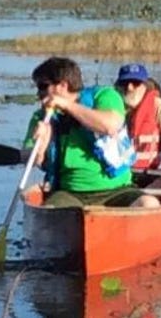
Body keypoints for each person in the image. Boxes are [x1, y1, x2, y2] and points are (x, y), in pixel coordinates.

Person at [22, 56, 144, 207]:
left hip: (118, 190)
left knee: (148, 203)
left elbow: (110, 126)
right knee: (52, 210)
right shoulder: (42, 117)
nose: (38, 94)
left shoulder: (104, 96)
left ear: (62, 85)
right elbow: (29, 158)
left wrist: (67, 106)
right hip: (70, 193)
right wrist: (40, 145)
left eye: (43, 86)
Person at [113, 62, 161, 185]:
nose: (129, 87)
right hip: (120, 173)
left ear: (145, 85)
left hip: (152, 173)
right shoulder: (111, 107)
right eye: (124, 83)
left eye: (135, 83)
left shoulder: (159, 107)